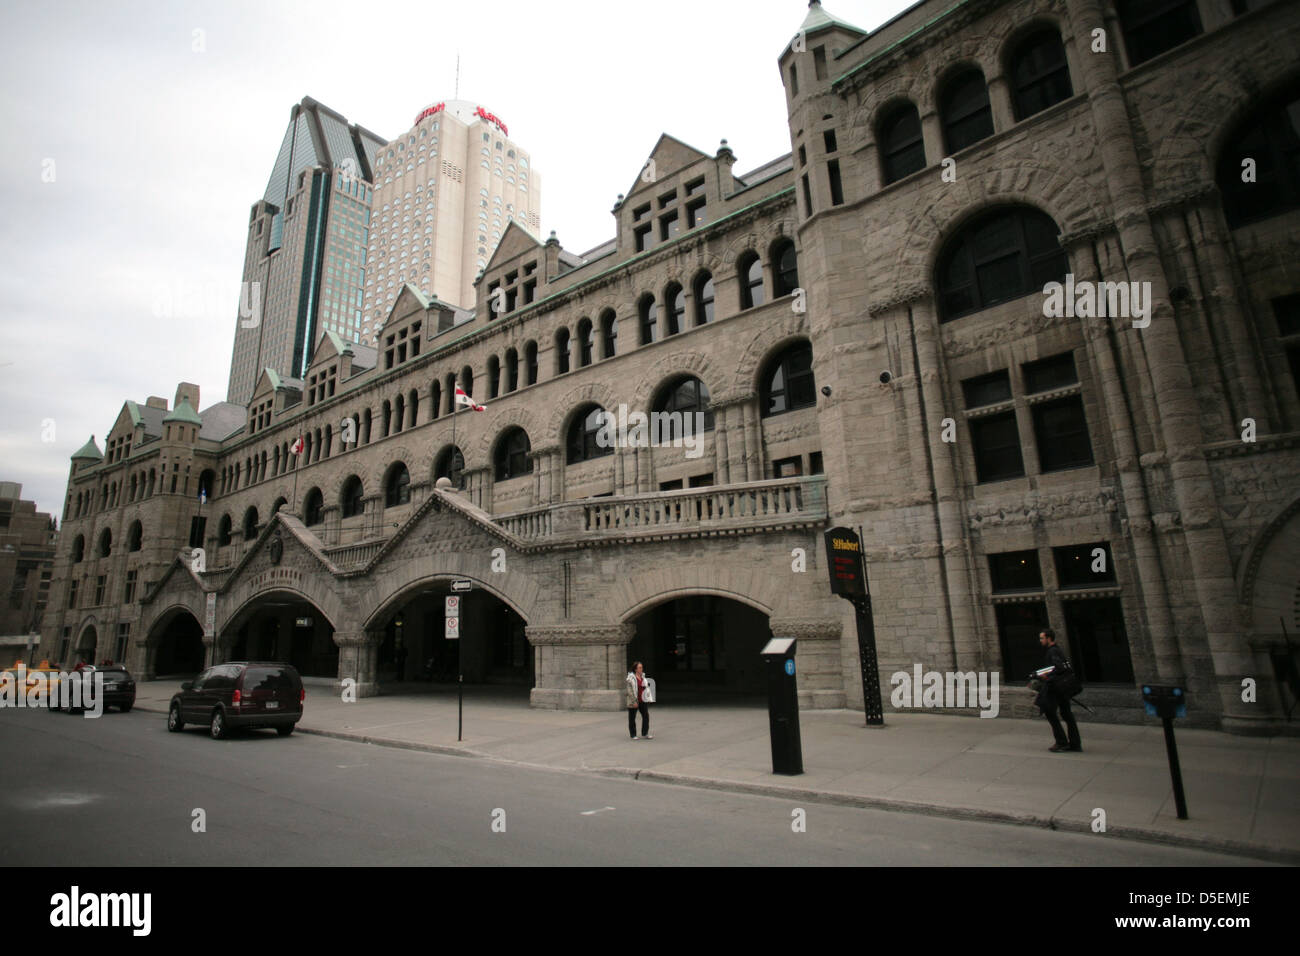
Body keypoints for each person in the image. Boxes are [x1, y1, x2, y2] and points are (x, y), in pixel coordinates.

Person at [1036, 629, 1082, 752]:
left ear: (1049, 638)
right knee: (1067, 714)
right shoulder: (1057, 650)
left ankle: (1062, 742)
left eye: (1042, 638)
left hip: (1057, 688)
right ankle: (1075, 743)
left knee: (1050, 712)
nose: (1040, 641)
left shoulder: (1053, 651)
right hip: (1063, 688)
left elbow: (1059, 669)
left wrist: (1046, 676)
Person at [625, 661, 653, 740]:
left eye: (642, 667)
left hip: (642, 700)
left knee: (646, 716)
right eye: (640, 667)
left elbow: (647, 689)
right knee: (632, 718)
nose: (641, 669)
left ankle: (645, 733)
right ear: (635, 669)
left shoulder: (643, 677)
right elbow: (629, 691)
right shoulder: (630, 678)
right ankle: (633, 734)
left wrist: (649, 698)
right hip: (634, 700)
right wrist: (634, 701)